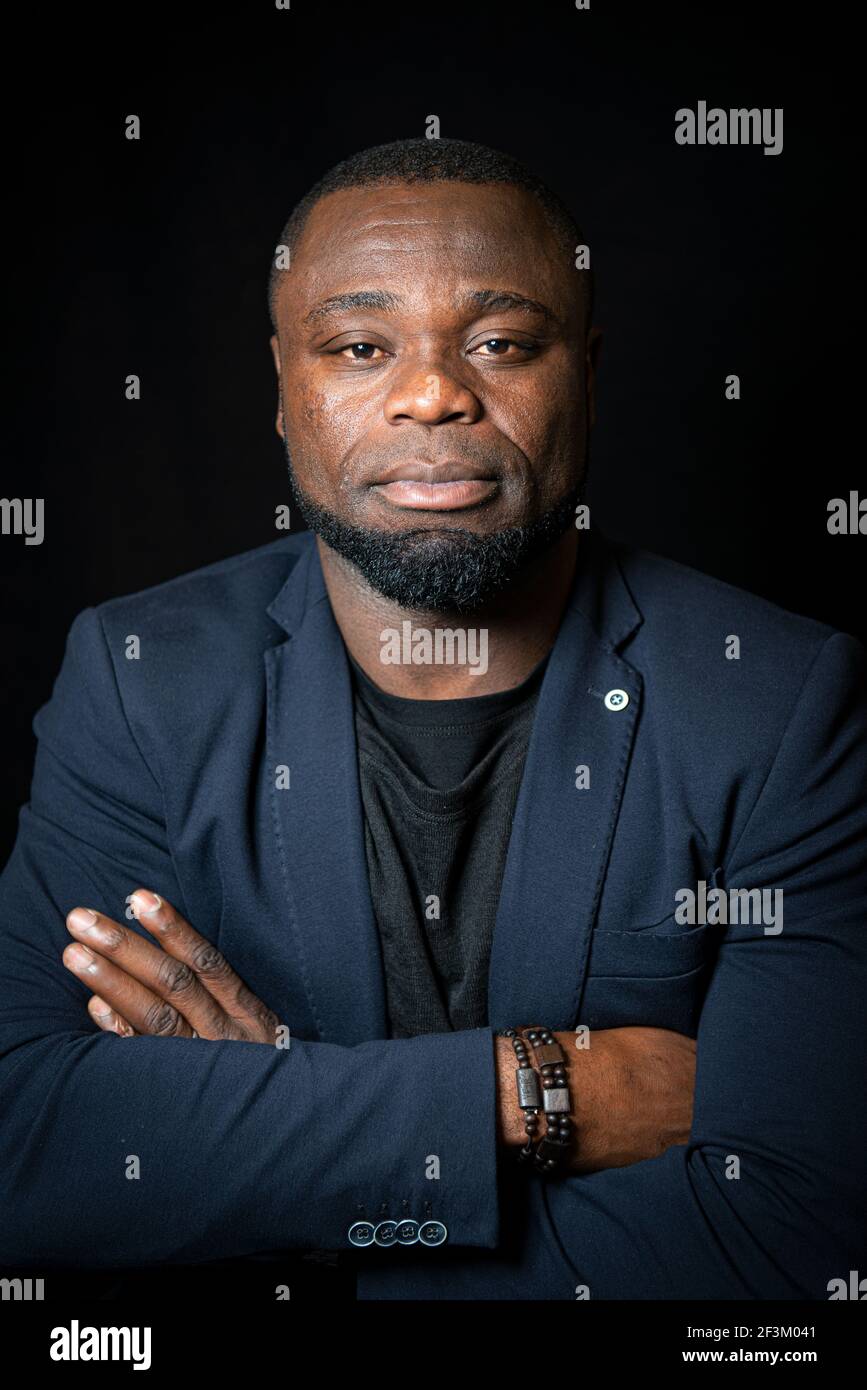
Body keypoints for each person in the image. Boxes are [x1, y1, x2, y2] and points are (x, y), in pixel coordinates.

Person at [1, 138, 864, 1301]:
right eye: (360, 347)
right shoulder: (140, 676)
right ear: (282, 388)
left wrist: (273, 1181)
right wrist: (533, 1094)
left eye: (502, 344)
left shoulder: (779, 701)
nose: (432, 393)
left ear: (590, 377)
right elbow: (27, 1146)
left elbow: (792, 1238)